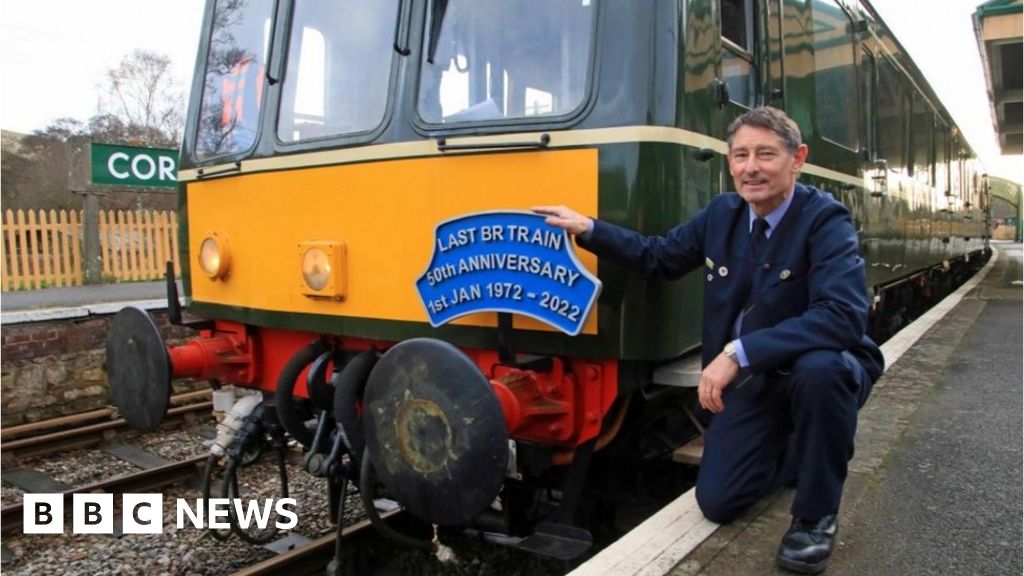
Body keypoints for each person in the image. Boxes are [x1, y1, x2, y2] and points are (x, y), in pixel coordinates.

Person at [534, 106, 884, 575]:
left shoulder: (825, 220)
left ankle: (815, 517)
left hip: (806, 369)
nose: (750, 167)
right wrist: (590, 229)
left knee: (822, 371)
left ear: (797, 158)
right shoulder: (723, 214)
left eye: (765, 154)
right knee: (719, 501)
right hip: (757, 383)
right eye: (739, 155)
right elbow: (658, 257)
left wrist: (737, 354)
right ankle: (800, 446)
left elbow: (842, 317)